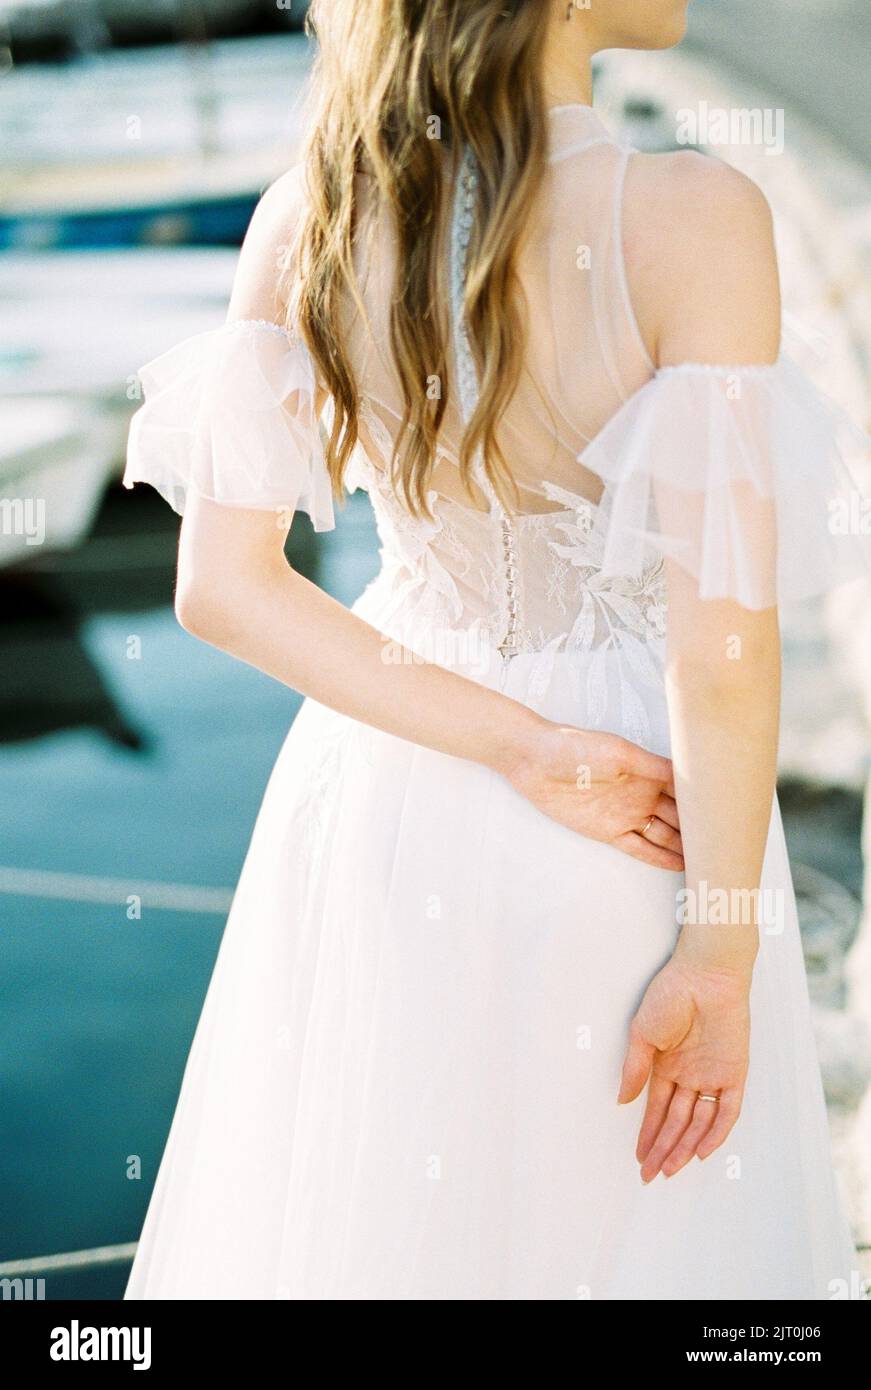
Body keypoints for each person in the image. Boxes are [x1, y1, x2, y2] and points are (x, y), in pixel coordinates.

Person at [123, 0, 868, 1299]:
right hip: (640, 813)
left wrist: (528, 746)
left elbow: (226, 588)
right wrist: (722, 953)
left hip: (390, 782)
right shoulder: (691, 213)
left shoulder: (311, 213)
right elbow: (725, 650)